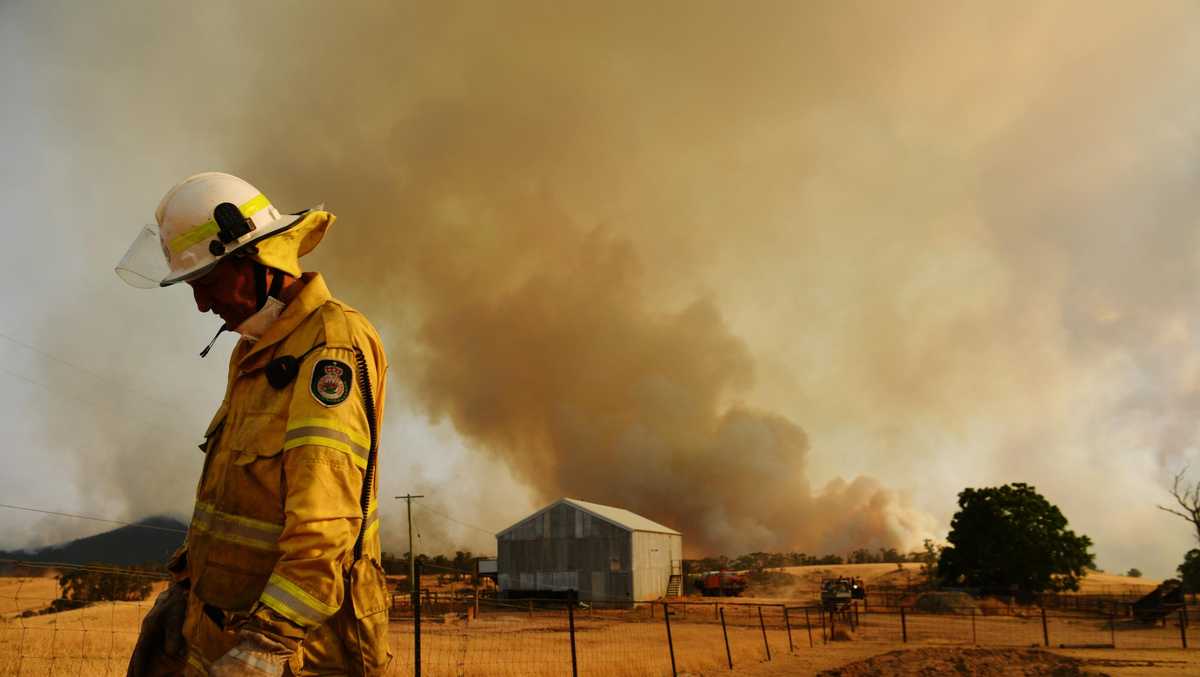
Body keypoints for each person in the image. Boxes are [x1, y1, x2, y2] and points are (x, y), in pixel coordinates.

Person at [117, 172, 391, 676]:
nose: (201, 304)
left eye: (207, 282)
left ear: (253, 258)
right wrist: (185, 591)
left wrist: (268, 643)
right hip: (219, 636)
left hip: (300, 655)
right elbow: (236, 498)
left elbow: (326, 527)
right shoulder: (255, 349)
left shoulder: (330, 345)